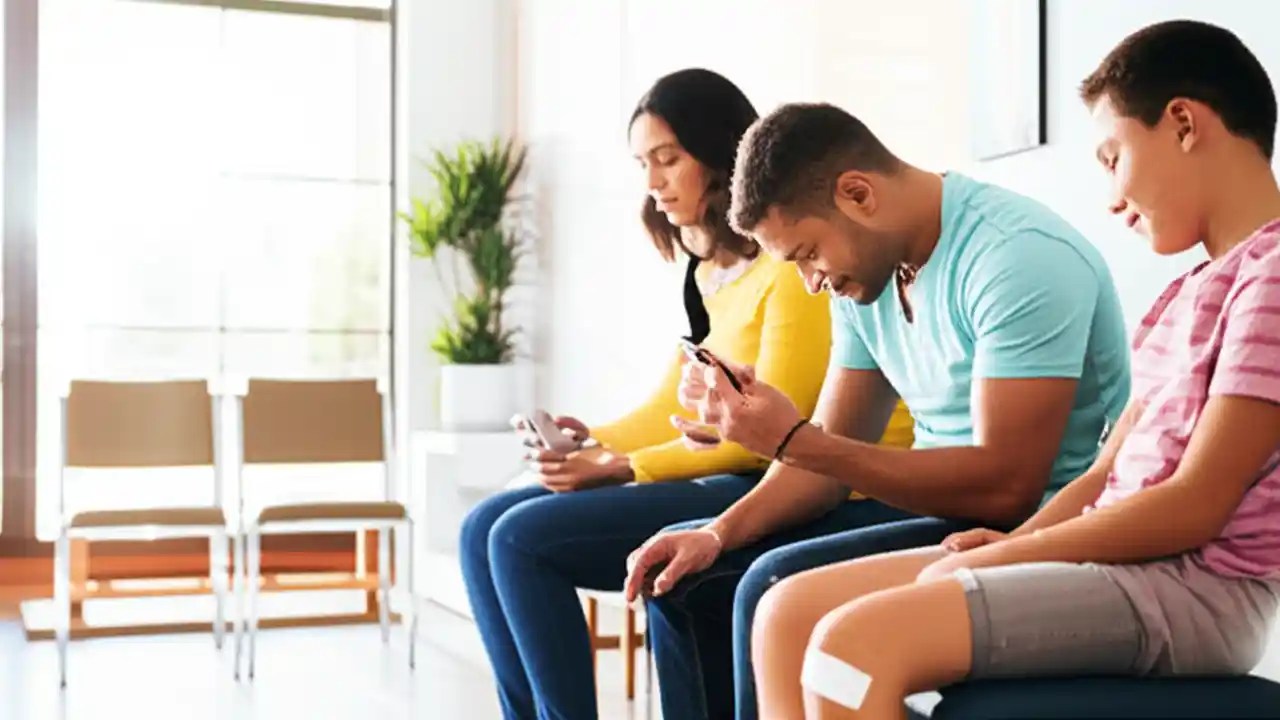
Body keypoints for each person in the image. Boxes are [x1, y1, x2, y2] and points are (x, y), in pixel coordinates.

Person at [749, 19, 1280, 720]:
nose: (1112, 198)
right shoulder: (1185, 294)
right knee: (788, 613)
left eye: (1112, 157)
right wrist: (1015, 545)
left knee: (852, 651)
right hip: (1125, 566)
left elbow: (1196, 504)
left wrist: (1000, 561)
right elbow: (1102, 478)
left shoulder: (1270, 279)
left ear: (1183, 123)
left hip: (1194, 587)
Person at [623, 102, 1133, 719]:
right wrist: (714, 531)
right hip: (942, 510)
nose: (812, 281)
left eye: (808, 253)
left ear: (858, 194)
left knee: (771, 586)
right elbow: (828, 459)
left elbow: (1006, 488)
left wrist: (790, 439)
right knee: (689, 580)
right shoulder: (866, 276)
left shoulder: (1016, 258)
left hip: (1042, 520)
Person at [459, 68, 912, 720]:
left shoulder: (794, 271)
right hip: (742, 467)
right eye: (644, 163)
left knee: (519, 538)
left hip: (777, 481)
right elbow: (674, 403)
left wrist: (624, 467)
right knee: (483, 526)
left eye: (668, 159)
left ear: (722, 152)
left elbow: (761, 442)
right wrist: (595, 440)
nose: (652, 182)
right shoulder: (705, 273)